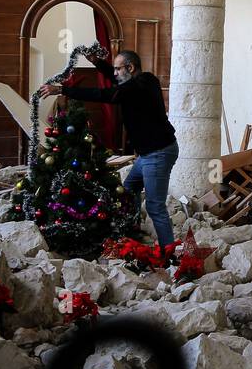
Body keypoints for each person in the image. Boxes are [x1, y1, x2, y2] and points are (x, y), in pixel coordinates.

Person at [40, 50, 178, 248]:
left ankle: (169, 254)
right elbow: (118, 85)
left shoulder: (140, 85)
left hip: (158, 152)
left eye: (117, 69)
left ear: (130, 68)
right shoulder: (139, 82)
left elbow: (106, 94)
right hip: (149, 153)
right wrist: (98, 62)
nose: (114, 73)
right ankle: (133, 233)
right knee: (129, 190)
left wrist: (63, 90)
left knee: (155, 206)